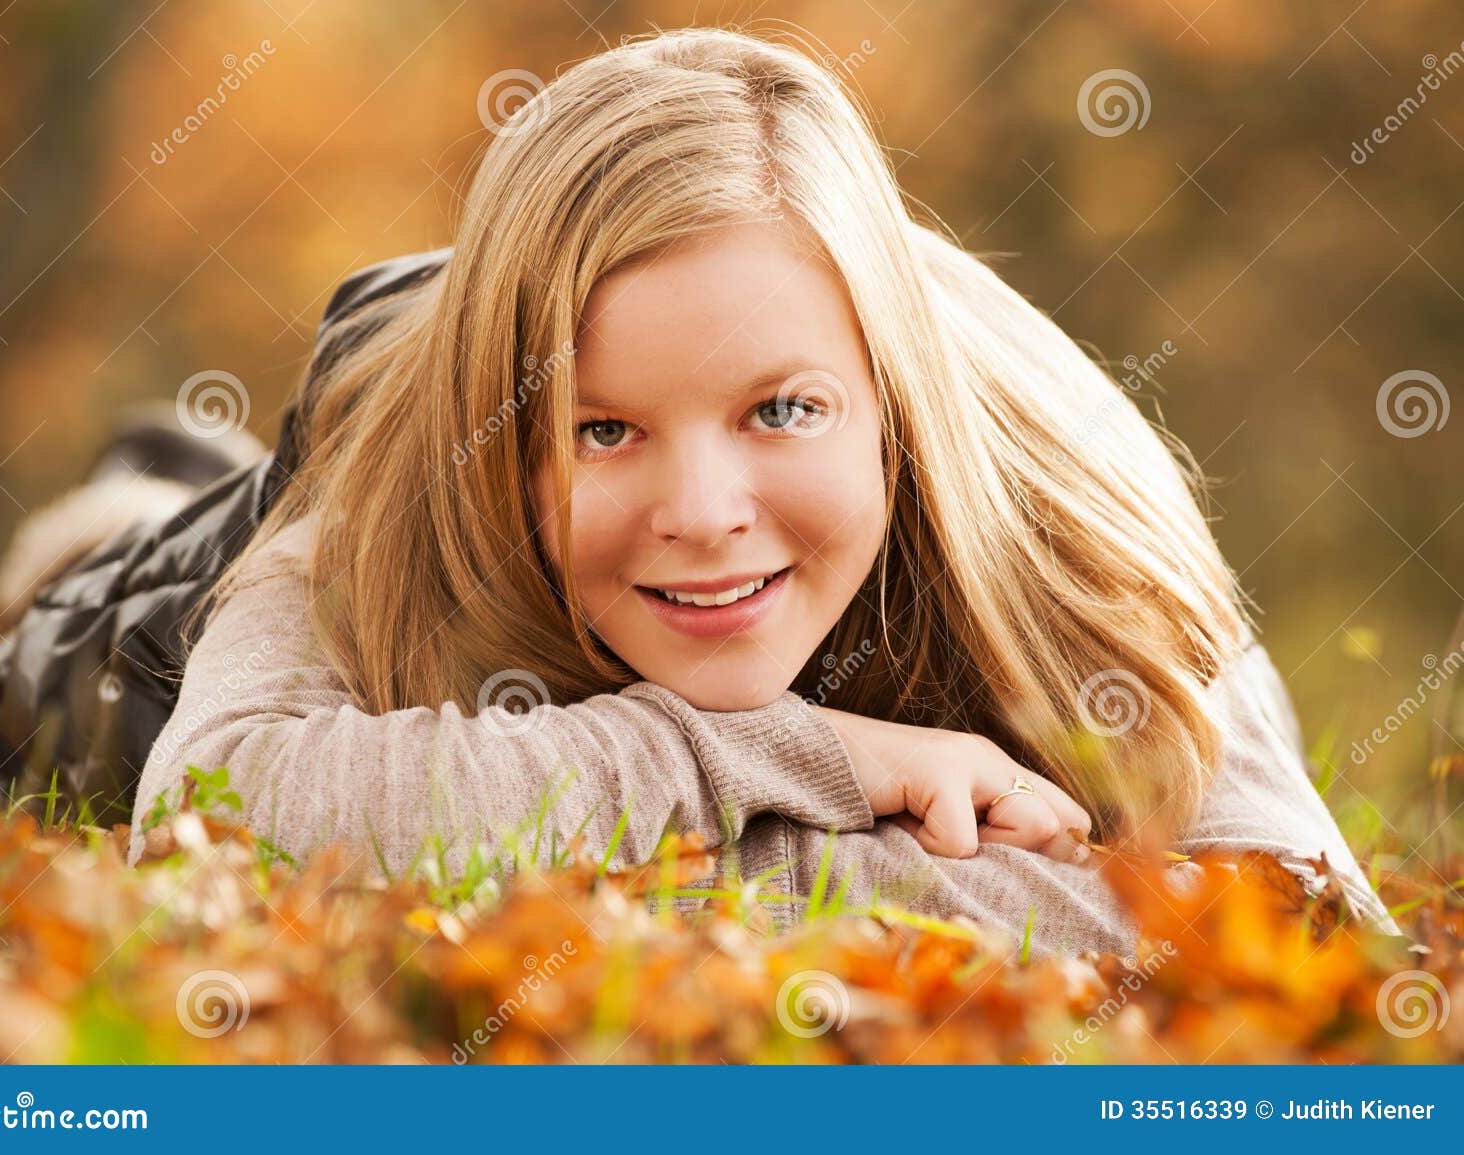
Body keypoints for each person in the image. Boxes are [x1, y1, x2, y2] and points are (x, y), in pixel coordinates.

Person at [112, 28, 1393, 954]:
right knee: (111, 600)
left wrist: (665, 856)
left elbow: (1296, 919)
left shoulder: (1067, 501)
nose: (704, 511)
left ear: (892, 401)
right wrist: (816, 758)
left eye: (781, 412)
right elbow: (212, 812)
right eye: (601, 429)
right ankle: (136, 499)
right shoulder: (402, 461)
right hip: (227, 537)